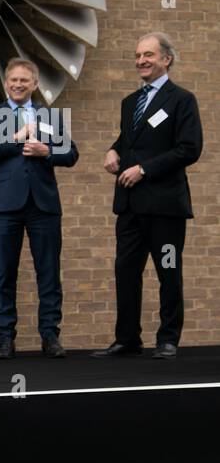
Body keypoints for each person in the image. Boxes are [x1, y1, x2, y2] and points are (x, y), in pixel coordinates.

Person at [95, 32, 204, 359]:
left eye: (148, 55)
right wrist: (113, 152)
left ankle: (168, 338)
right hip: (129, 206)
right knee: (125, 272)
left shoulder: (181, 100)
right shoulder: (131, 103)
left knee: (168, 272)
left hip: (165, 206)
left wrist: (143, 169)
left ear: (166, 59)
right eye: (138, 55)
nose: (141, 61)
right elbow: (128, 141)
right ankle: (127, 339)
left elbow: (189, 148)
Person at [0, 58, 78, 359]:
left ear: (34, 84)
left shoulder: (50, 116)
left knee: (48, 272)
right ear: (6, 84)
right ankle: (5, 337)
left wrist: (47, 152)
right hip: (4, 206)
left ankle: (50, 336)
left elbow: (71, 154)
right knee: (4, 273)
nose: (18, 85)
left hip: (43, 205)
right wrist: (14, 138)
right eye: (13, 80)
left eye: (25, 80)